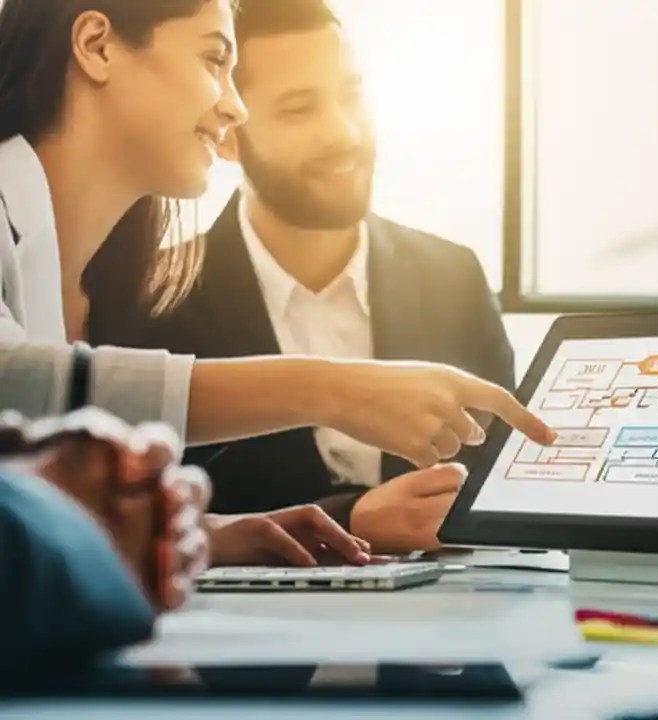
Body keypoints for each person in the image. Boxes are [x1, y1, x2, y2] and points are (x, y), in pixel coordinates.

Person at [0, 0, 554, 555]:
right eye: (214, 59)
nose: (233, 107)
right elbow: (18, 383)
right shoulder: (136, 288)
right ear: (96, 46)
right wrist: (333, 391)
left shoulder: (59, 264)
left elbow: (37, 499)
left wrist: (212, 536)